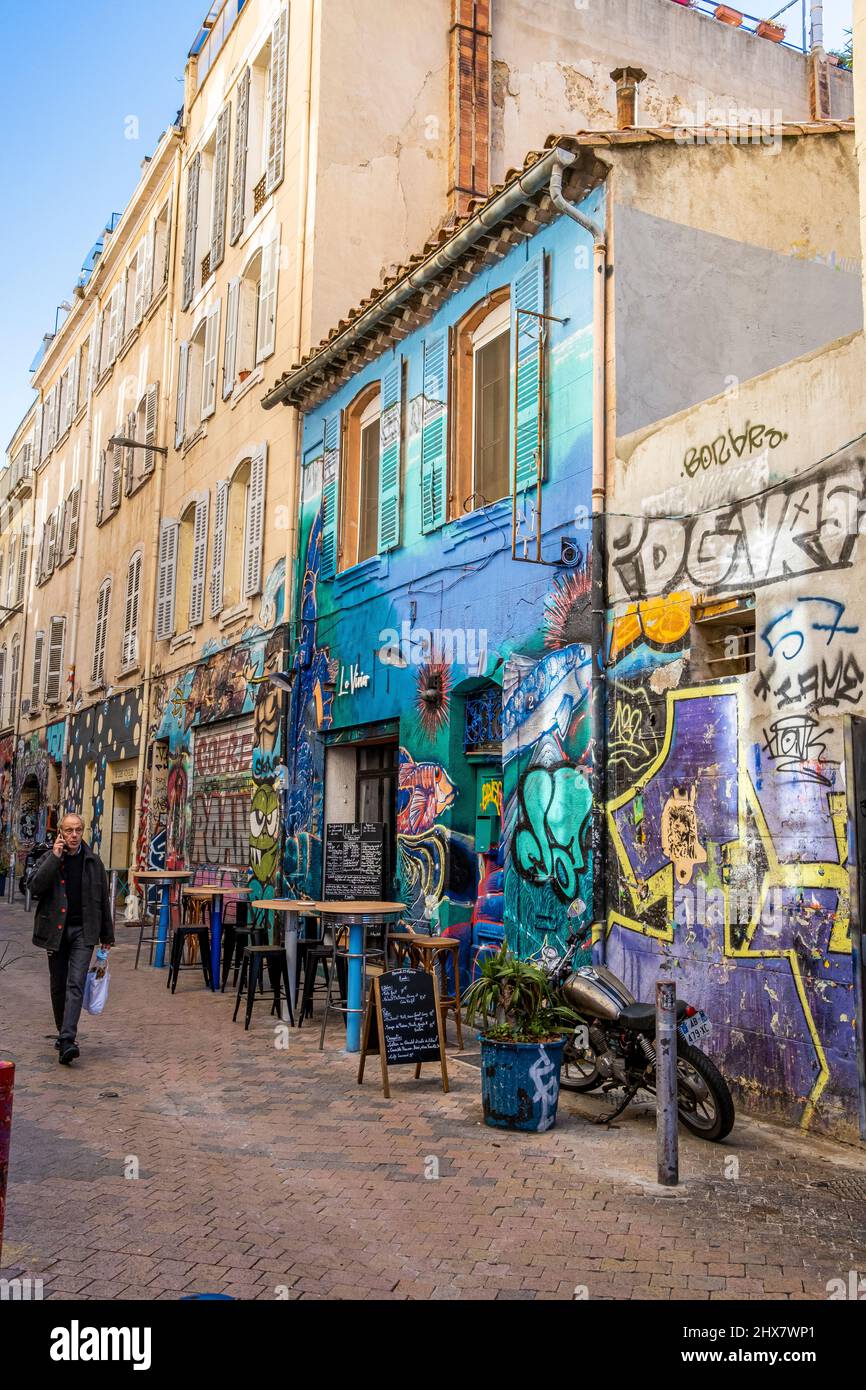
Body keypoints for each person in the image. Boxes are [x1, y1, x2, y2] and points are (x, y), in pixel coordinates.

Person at [30, 812, 115, 1065]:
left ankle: (68, 1039)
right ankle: (62, 1032)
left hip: (83, 932)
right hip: (54, 932)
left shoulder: (93, 862)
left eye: (78, 830)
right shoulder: (50, 858)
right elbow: (34, 887)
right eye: (69, 831)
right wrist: (54, 858)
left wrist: (107, 936)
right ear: (60, 832)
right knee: (58, 985)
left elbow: (103, 900)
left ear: (83, 831)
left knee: (75, 983)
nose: (74, 835)